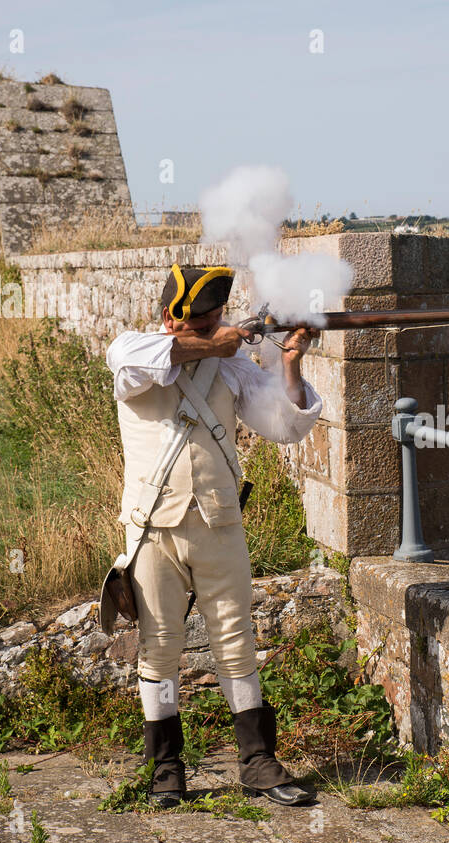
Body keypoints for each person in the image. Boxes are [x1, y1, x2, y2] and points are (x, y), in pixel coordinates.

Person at [103, 264, 322, 807]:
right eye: (195, 322)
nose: (206, 329)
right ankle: (165, 769)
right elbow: (141, 360)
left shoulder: (233, 369)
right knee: (159, 651)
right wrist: (218, 342)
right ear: (168, 318)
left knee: (235, 641)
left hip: (219, 522)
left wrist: (289, 365)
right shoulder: (136, 350)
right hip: (152, 528)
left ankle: (256, 761)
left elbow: (286, 426)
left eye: (213, 320)